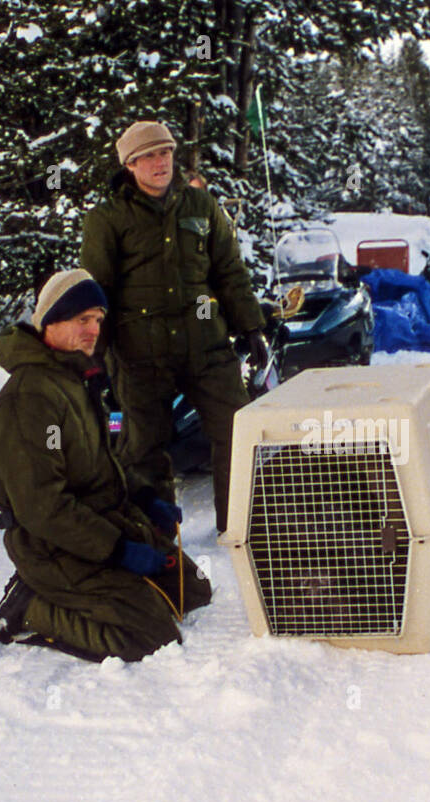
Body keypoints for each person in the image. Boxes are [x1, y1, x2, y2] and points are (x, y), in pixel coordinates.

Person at [0, 268, 211, 662]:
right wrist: (119, 549)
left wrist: (146, 498)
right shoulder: (30, 399)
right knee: (150, 636)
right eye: (82, 319)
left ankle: (92, 587)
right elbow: (43, 509)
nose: (93, 330)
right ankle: (30, 608)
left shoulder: (75, 380)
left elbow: (104, 463)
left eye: (98, 320)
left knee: (194, 590)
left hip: (99, 522)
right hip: (53, 546)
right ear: (51, 321)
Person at [80, 120, 268, 533]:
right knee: (143, 451)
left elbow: (229, 270)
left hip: (206, 345)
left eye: (165, 151)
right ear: (130, 165)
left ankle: (239, 531)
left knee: (238, 432)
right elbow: (98, 292)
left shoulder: (201, 207)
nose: (160, 161)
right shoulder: (107, 218)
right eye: (148, 155)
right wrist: (92, 357)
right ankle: (156, 543)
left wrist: (251, 327)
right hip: (139, 354)